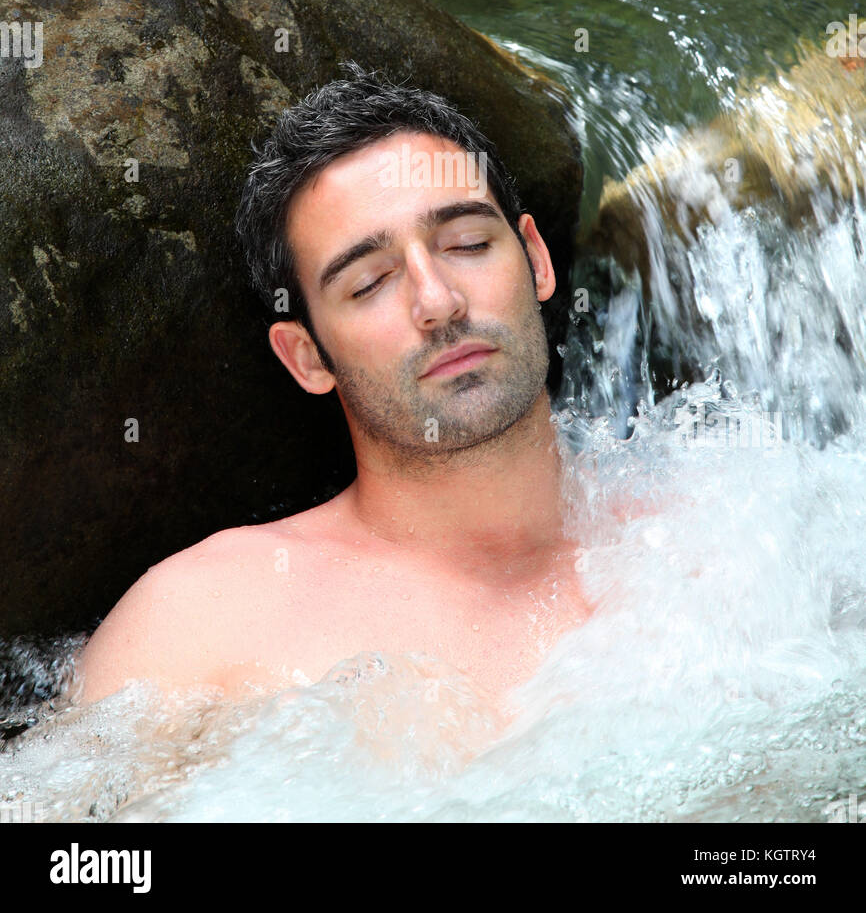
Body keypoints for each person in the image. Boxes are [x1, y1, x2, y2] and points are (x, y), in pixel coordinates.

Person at [77, 64, 594, 716]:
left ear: (537, 260)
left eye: (465, 243)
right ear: (307, 356)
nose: (437, 300)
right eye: (370, 283)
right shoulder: (201, 628)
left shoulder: (718, 533)